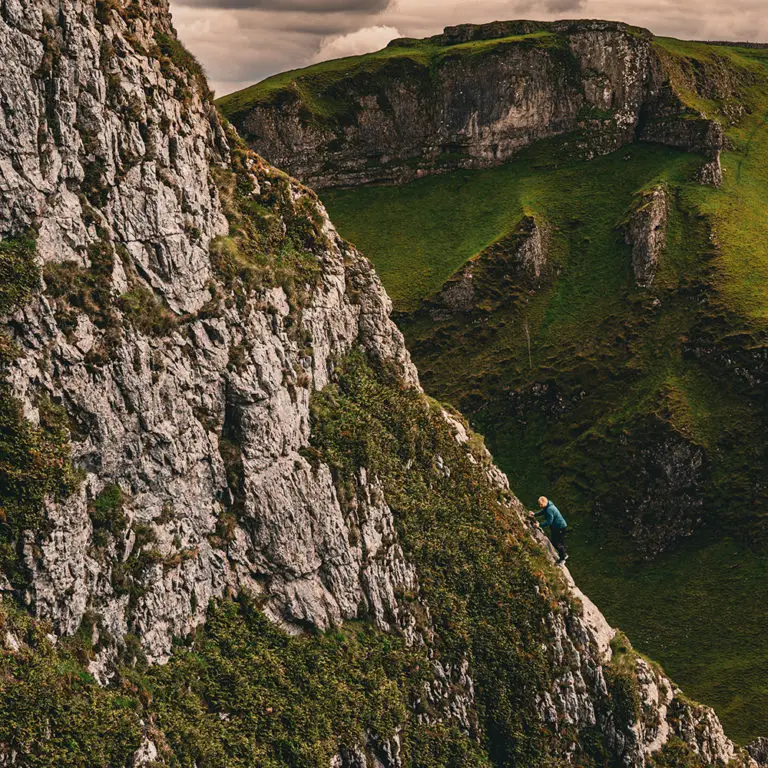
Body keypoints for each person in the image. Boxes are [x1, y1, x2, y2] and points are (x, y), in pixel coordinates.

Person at [530, 496, 568, 564]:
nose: (540, 506)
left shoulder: (549, 509)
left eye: (541, 504)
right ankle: (564, 554)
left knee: (555, 542)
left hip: (559, 527)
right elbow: (543, 511)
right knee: (560, 541)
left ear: (545, 502)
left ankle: (562, 559)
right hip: (561, 526)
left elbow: (549, 522)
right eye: (539, 504)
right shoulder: (548, 505)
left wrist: (539, 525)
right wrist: (535, 514)